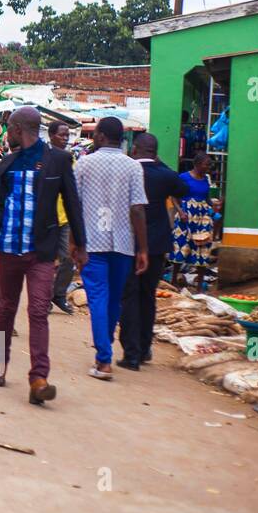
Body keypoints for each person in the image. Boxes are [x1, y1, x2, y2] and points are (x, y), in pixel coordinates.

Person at [0, 107, 86, 405]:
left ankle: (39, 378)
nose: (6, 131)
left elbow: (73, 203)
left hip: (41, 251)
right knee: (6, 308)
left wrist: (80, 244)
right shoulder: (6, 163)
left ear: (19, 128)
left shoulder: (59, 161)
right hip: (9, 248)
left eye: (9, 127)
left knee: (38, 310)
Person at [75, 116, 149, 381]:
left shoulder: (84, 164)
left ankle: (104, 360)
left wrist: (74, 242)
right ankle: (102, 353)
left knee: (97, 300)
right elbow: (138, 209)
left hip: (92, 243)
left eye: (95, 134)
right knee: (114, 300)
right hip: (124, 244)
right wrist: (142, 249)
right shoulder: (133, 167)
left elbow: (75, 205)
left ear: (102, 136)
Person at [119, 133, 189, 370]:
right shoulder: (165, 175)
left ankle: (131, 353)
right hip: (157, 244)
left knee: (129, 296)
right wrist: (161, 164)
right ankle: (145, 347)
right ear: (155, 152)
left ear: (135, 149)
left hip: (128, 242)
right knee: (148, 296)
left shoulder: (126, 171)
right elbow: (183, 187)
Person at [170, 151, 216, 280]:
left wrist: (214, 206)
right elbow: (174, 196)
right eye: (206, 165)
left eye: (209, 165)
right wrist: (180, 211)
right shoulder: (184, 177)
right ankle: (174, 279)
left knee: (203, 247)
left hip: (202, 218)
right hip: (186, 216)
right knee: (180, 246)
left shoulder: (206, 179)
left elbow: (206, 198)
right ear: (197, 164)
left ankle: (200, 284)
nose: (208, 168)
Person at [47, 121, 76, 315]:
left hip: (65, 218)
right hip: (46, 217)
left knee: (68, 258)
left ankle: (58, 294)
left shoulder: (70, 159)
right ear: (51, 136)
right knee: (46, 260)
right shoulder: (42, 156)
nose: (65, 139)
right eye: (62, 135)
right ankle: (44, 297)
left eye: (67, 136)